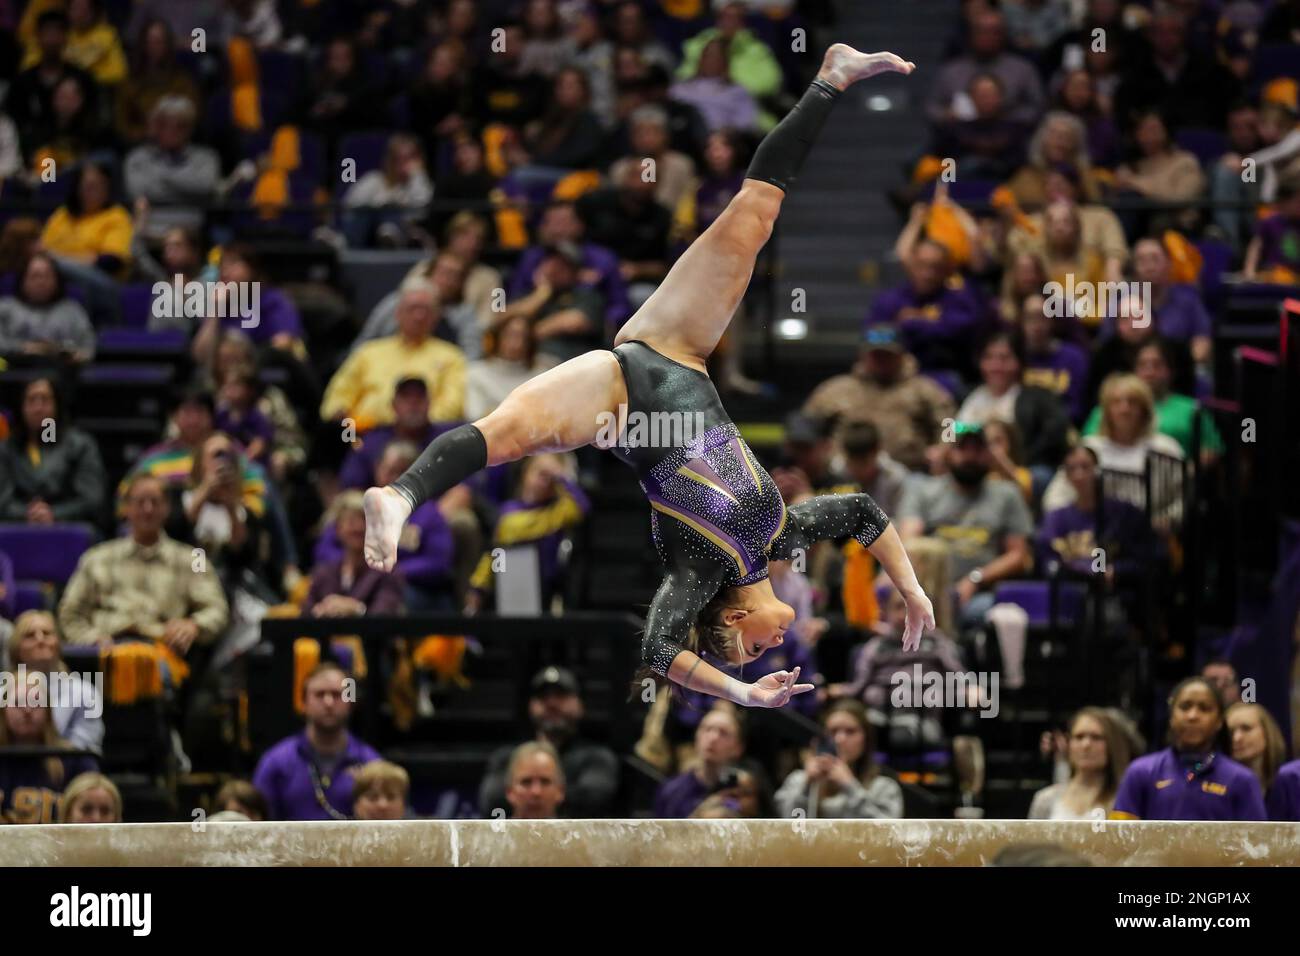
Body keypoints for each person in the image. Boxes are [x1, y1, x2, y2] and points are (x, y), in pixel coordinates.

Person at [364, 45, 935, 708]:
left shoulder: (698, 569)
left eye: (749, 652)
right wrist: (912, 587)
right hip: (680, 348)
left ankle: (401, 496)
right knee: (753, 216)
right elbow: (864, 512)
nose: (766, 651)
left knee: (510, 437)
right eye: (759, 662)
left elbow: (660, 651)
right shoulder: (782, 532)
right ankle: (832, 76)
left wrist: (741, 696)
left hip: (619, 396)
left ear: (732, 619)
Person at [58, 473, 229, 652]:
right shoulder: (96, 557)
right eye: (140, 502)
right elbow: (70, 613)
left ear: (167, 508)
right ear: (126, 509)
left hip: (160, 649)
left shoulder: (195, 557)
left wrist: (194, 625)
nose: (148, 509)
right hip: (106, 648)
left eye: (155, 502)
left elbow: (217, 609)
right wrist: (90, 640)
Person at [803, 324, 957, 473]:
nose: (882, 360)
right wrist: (820, 456)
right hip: (844, 477)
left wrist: (942, 449)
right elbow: (806, 425)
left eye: (888, 355)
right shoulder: (835, 390)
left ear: (902, 356)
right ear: (862, 356)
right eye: (876, 355)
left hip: (909, 478)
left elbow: (948, 422)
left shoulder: (924, 389)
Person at [1111, 677, 1266, 821]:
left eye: (1204, 708)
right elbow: (1119, 840)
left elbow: (1256, 845)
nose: (1193, 716)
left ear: (1219, 720)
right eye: (1185, 707)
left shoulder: (1242, 780)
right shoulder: (1140, 772)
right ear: (1171, 716)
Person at [478, 666, 619, 818]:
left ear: (579, 704)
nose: (552, 703)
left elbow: (594, 800)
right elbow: (492, 800)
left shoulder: (597, 757)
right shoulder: (505, 757)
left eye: (561, 696)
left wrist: (527, 797)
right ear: (531, 706)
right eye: (543, 697)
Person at [251, 662, 382, 821]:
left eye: (336, 694)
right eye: (320, 694)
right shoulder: (276, 763)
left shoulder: (371, 763)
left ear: (351, 703)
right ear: (304, 703)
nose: (328, 703)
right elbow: (257, 824)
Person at [0, 374, 106, 524]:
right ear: (21, 407)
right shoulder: (6, 449)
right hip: (16, 527)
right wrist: (27, 514)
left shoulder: (81, 445)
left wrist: (54, 513)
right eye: (31, 400)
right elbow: (2, 500)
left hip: (69, 527)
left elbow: (92, 499)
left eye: (45, 399)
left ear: (57, 405)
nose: (38, 408)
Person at [774, 699, 904, 819]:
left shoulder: (884, 788)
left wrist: (850, 786)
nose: (839, 739)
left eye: (850, 731)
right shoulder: (797, 780)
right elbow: (789, 829)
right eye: (833, 731)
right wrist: (807, 787)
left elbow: (887, 833)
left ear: (866, 739)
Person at [0, 669, 97, 824]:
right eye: (18, 702)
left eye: (36, 702)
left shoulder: (74, 760)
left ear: (48, 712)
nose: (27, 710)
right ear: (4, 711)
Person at [5, 610, 104, 754]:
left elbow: (87, 748)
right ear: (16, 648)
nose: (40, 639)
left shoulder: (84, 692)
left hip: (68, 769)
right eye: (30, 635)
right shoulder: (3, 691)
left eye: (47, 633)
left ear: (57, 644)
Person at [1028, 707, 1132, 819]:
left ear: (1112, 745)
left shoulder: (1125, 799)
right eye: (1079, 737)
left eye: (1096, 737)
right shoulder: (1045, 799)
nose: (1086, 745)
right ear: (1069, 743)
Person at [653, 706, 749, 818]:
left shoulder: (747, 791)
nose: (713, 738)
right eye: (707, 729)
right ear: (696, 736)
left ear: (738, 747)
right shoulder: (672, 791)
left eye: (723, 732)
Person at [0, 252, 96, 363]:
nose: (41, 282)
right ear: (22, 280)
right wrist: (25, 348)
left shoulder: (72, 310)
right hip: (14, 371)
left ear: (57, 280)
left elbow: (88, 346)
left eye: (47, 276)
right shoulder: (4, 308)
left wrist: (77, 354)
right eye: (35, 276)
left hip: (62, 373)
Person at [1226, 702, 1287, 806]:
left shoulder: (1289, 784)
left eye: (1246, 728)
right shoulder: (1218, 789)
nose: (1237, 738)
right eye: (1230, 732)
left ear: (1267, 732)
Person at [504, 741, 566, 820]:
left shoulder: (579, 832)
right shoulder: (489, 832)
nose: (536, 792)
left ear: (560, 790)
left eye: (545, 782)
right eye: (526, 782)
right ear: (509, 791)